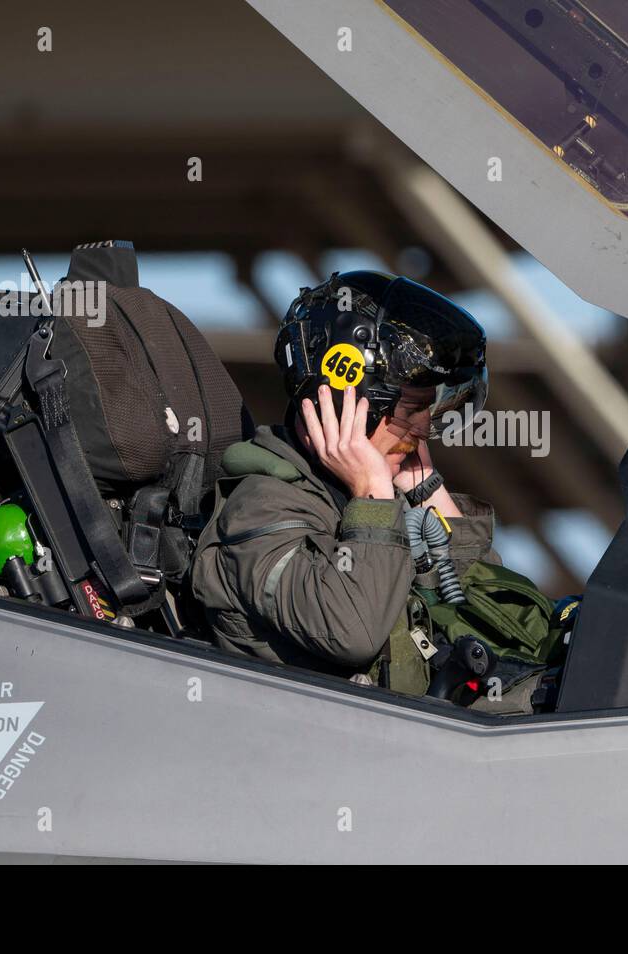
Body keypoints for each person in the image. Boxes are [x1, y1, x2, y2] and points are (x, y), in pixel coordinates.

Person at [189, 270, 507, 697]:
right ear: (344, 400)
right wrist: (373, 494)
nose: (423, 429)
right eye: (410, 409)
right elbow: (352, 631)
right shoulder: (260, 512)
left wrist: (427, 494)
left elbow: (501, 626)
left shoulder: (367, 507)